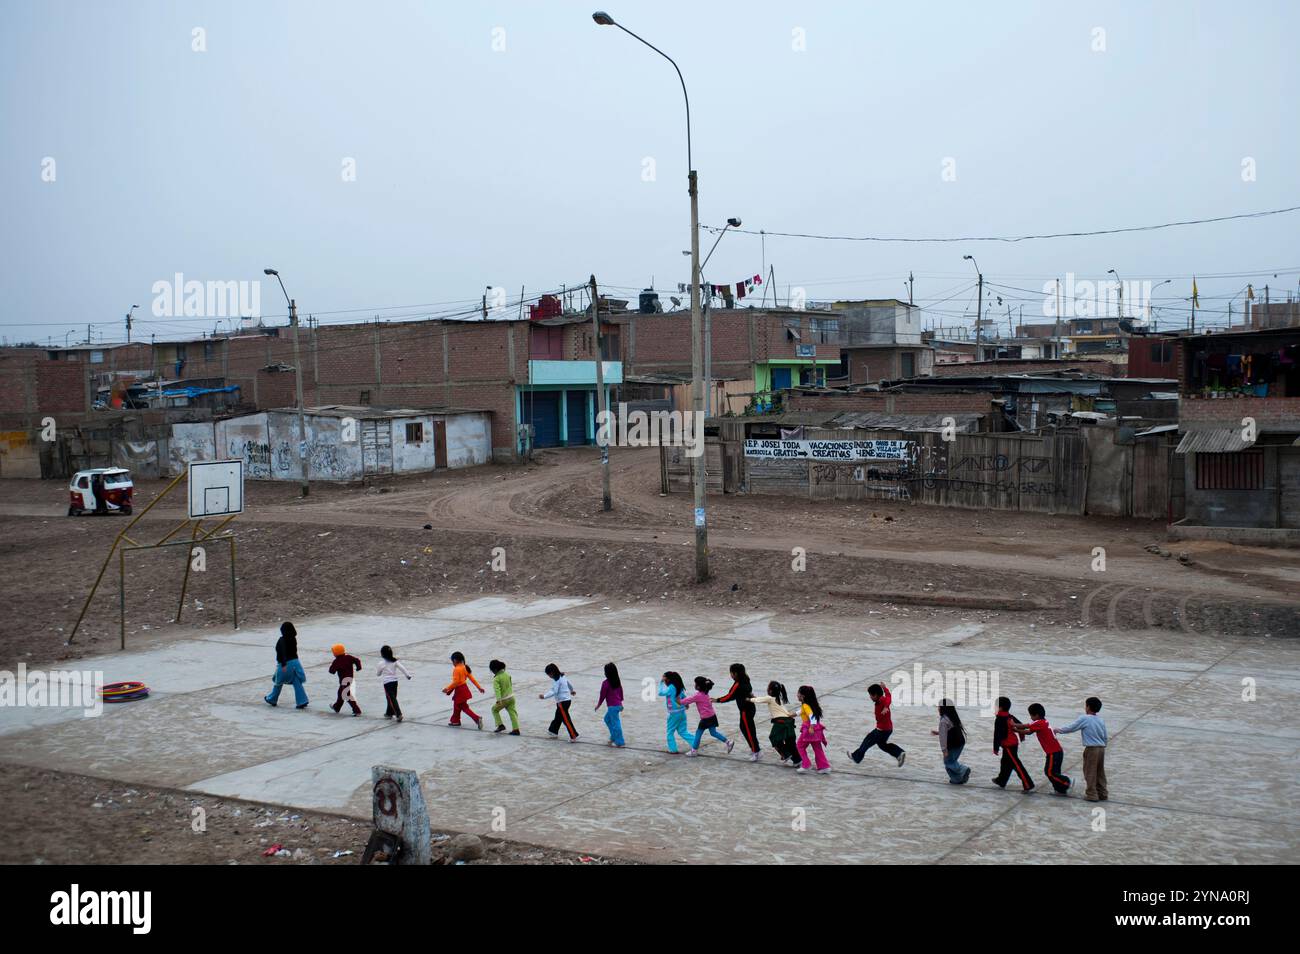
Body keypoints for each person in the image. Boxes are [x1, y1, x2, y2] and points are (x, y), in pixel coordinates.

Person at [1055, 697, 1108, 801]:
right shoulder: (1101, 720)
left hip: (1092, 749)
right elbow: (1105, 735)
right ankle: (1102, 793)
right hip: (1101, 748)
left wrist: (1058, 730)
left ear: (1088, 707)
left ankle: (1092, 794)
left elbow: (1072, 727)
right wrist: (1103, 745)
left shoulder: (1085, 718)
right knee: (1100, 771)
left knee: (1090, 771)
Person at [1015, 703, 1072, 795]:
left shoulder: (1039, 722)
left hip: (1053, 753)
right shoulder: (1043, 722)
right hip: (1056, 752)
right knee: (1055, 772)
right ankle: (1060, 790)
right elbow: (1029, 732)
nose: (1030, 718)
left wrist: (1013, 724)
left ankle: (1066, 782)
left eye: (1031, 715)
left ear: (1036, 715)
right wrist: (1016, 730)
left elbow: (1026, 726)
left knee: (1049, 772)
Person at [848, 682, 905, 767]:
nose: (870, 697)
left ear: (876, 695)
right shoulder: (881, 700)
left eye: (871, 695)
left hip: (881, 730)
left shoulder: (882, 701)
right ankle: (899, 753)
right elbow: (889, 696)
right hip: (888, 729)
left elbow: (888, 700)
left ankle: (856, 757)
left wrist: (886, 707)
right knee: (883, 745)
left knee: (867, 741)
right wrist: (885, 688)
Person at [715, 663, 762, 761]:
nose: (730, 675)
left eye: (731, 673)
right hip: (750, 708)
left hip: (745, 710)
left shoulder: (738, 684)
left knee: (749, 730)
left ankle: (756, 751)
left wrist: (717, 700)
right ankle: (755, 748)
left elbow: (730, 696)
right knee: (745, 728)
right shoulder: (745, 679)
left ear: (735, 673)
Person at [681, 677, 734, 756]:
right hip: (712, 716)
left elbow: (687, 700)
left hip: (705, 719)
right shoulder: (706, 693)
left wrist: (678, 700)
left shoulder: (697, 695)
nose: (694, 685)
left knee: (698, 733)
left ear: (698, 686)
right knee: (713, 732)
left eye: (695, 684)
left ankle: (694, 751)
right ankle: (728, 742)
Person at [752, 681, 800, 766]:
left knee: (774, 738)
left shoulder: (770, 698)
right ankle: (797, 760)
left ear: (770, 691)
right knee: (790, 742)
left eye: (768, 687)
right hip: (789, 720)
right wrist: (755, 698)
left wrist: (749, 699)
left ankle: (786, 754)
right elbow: (761, 699)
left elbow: (758, 700)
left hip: (781, 722)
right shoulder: (779, 698)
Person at [992, 696, 1034, 792]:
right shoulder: (1009, 716)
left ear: (1000, 708)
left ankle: (1028, 784)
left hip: (1009, 745)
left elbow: (997, 734)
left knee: (1016, 765)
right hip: (1012, 744)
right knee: (1005, 763)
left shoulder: (999, 719)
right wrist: (1022, 737)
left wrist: (995, 748)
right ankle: (1001, 780)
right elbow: (1021, 726)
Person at [264, 621, 308, 709]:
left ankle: (272, 699)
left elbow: (282, 652)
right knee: (296, 682)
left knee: (278, 683)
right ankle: (302, 701)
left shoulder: (282, 640)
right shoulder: (293, 639)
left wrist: (283, 664)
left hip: (285, 664)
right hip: (295, 664)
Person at [931, 699, 970, 784]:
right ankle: (957, 779)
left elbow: (943, 738)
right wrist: (938, 732)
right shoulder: (952, 716)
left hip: (953, 745)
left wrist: (944, 750)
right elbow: (949, 731)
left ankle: (963, 769)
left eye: (939, 707)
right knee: (951, 762)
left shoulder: (943, 721)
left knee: (948, 762)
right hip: (960, 743)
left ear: (943, 708)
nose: (938, 708)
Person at [443, 651, 485, 729]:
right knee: (456, 706)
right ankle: (455, 721)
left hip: (460, 691)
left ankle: (476, 718)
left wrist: (447, 688)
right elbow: (472, 679)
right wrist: (479, 687)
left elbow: (456, 682)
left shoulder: (457, 669)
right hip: (464, 689)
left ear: (455, 660)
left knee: (463, 707)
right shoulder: (464, 667)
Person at [795, 685, 831, 774]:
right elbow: (801, 712)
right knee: (817, 748)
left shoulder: (806, 705)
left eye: (798, 693)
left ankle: (806, 764)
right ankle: (824, 767)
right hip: (817, 729)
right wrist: (791, 714)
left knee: (800, 746)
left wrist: (811, 727)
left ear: (803, 696)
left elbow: (811, 716)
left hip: (809, 730)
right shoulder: (811, 704)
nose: (797, 695)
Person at [540, 663, 578, 741]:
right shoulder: (562, 676)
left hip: (562, 702)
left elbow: (554, 691)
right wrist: (572, 690)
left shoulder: (557, 681)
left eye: (549, 674)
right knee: (558, 716)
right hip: (567, 700)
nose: (549, 676)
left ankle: (573, 735)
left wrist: (544, 696)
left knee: (566, 719)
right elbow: (569, 684)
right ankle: (553, 731)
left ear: (552, 673)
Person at [658, 671, 694, 754]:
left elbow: (660, 693)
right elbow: (684, 697)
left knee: (670, 732)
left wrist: (661, 683)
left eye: (664, 677)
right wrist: (686, 704)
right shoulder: (679, 687)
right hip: (682, 712)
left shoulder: (671, 687)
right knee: (683, 731)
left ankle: (673, 749)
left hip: (674, 713)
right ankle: (694, 743)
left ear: (668, 679)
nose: (663, 678)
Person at [376, 645, 411, 722]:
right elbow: (402, 668)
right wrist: (408, 675)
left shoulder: (381, 663)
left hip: (387, 683)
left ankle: (398, 714)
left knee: (391, 699)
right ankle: (389, 713)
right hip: (395, 682)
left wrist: (380, 671)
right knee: (392, 698)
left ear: (382, 654)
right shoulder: (395, 661)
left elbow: (378, 674)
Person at [595, 662, 625, 747]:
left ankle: (619, 741)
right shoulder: (617, 681)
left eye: (605, 671)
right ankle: (613, 736)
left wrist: (598, 705)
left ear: (607, 673)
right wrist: (621, 703)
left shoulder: (606, 683)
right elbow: (620, 693)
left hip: (612, 707)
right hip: (617, 706)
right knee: (607, 719)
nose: (604, 673)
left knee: (616, 724)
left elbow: (602, 695)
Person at [328, 643, 362, 716]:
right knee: (340, 693)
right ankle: (336, 707)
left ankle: (357, 710)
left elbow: (331, 671)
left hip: (344, 680)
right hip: (350, 679)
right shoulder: (348, 657)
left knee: (346, 695)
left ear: (336, 653)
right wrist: (358, 667)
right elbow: (357, 660)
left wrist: (333, 667)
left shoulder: (336, 661)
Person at [489, 659, 520, 735]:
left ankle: (500, 725)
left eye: (492, 670)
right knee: (512, 713)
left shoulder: (496, 678)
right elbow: (510, 685)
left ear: (495, 670)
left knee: (494, 710)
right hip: (512, 697)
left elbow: (497, 690)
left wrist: (499, 700)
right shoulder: (507, 675)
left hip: (504, 700)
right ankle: (516, 729)